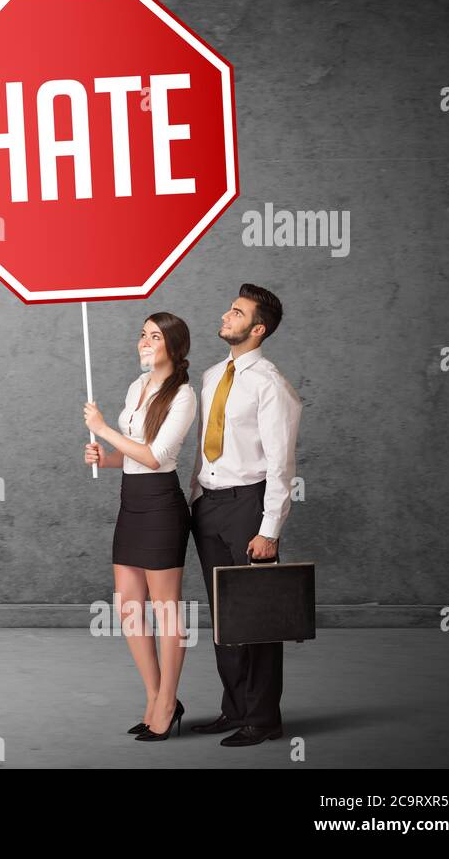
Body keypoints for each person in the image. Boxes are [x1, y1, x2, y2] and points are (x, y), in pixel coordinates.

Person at [187, 284, 302, 747]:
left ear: (258, 329)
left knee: (257, 615)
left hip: (249, 507)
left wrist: (269, 530)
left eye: (236, 312)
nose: (225, 315)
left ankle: (264, 718)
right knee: (225, 616)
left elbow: (281, 464)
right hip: (209, 505)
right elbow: (204, 443)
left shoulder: (271, 384)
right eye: (229, 309)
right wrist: (196, 496)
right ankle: (233, 709)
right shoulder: (213, 375)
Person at [83, 312, 197, 742]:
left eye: (155, 337)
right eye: (142, 335)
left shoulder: (183, 395)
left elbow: (154, 457)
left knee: (166, 610)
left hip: (162, 507)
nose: (144, 342)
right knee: (129, 606)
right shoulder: (137, 386)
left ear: (174, 346)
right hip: (130, 503)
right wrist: (105, 457)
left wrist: (102, 429)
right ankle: (153, 696)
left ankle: (168, 701)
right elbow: (132, 456)